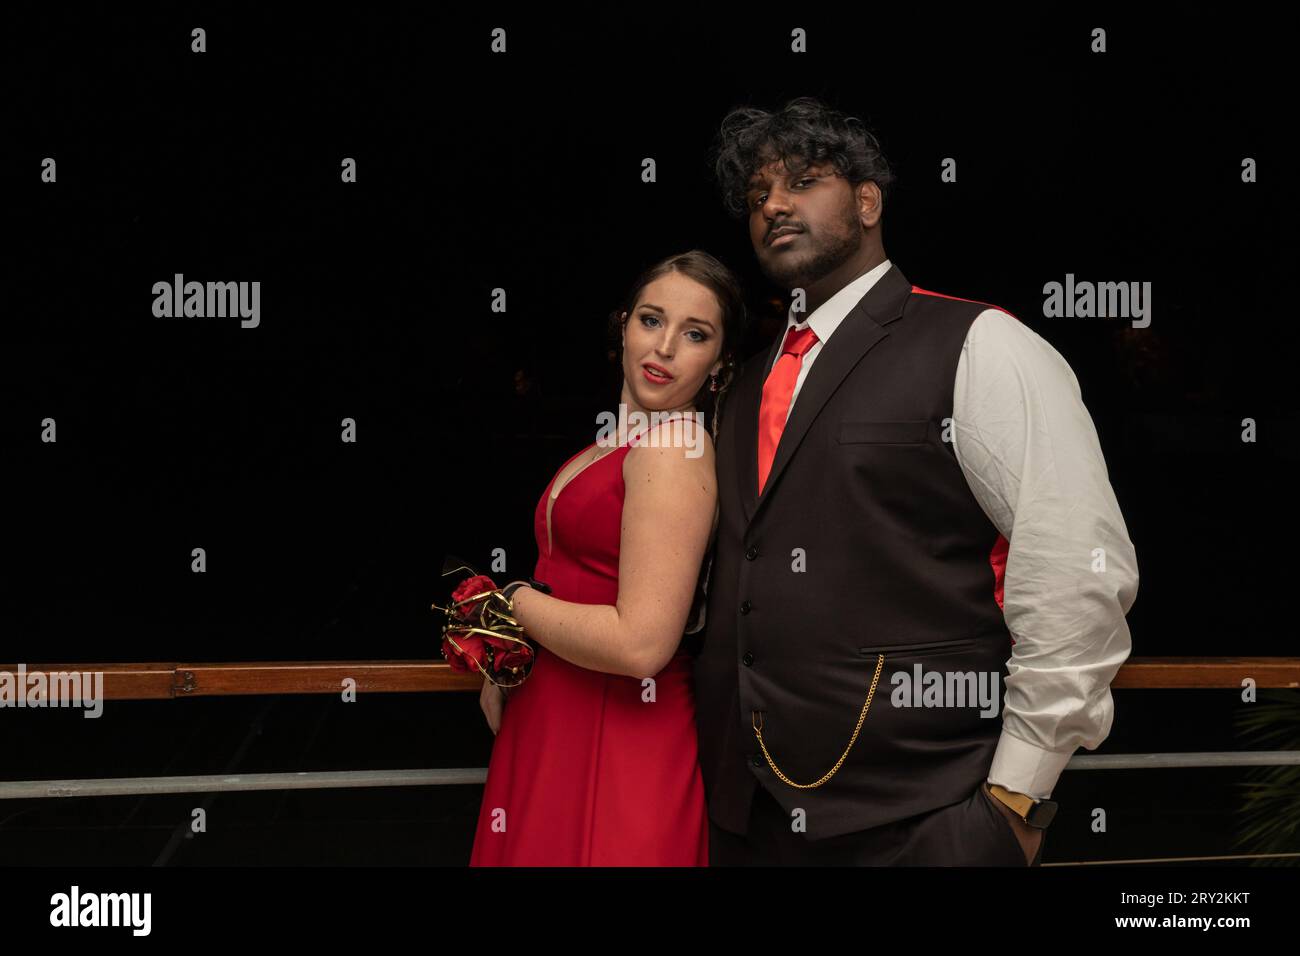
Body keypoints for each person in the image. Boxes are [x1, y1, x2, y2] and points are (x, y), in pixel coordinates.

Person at [695, 97, 1139, 865]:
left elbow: (1075, 567)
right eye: (757, 194)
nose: (772, 204)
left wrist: (1017, 799)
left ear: (868, 201)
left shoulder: (981, 344)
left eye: (801, 181)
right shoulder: (747, 382)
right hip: (745, 818)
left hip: (927, 819)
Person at [469, 250, 745, 866]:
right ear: (622, 325)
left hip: (619, 732)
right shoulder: (613, 444)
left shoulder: (675, 448)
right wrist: (507, 653)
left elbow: (642, 644)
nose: (666, 346)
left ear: (720, 363)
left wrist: (512, 601)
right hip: (555, 717)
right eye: (652, 320)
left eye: (695, 334)